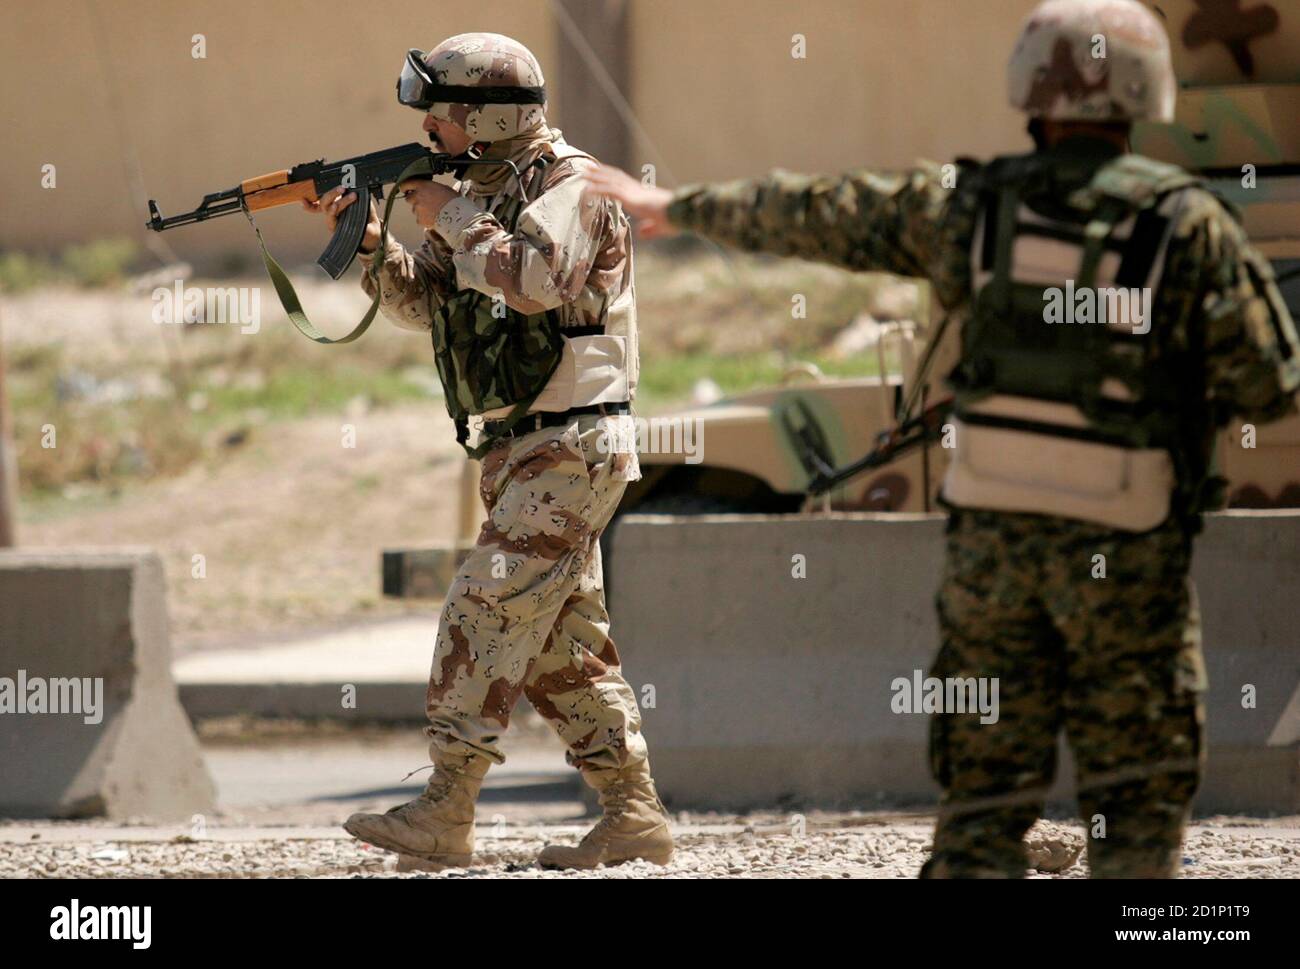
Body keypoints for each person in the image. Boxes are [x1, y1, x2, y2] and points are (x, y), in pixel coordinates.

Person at [587, 0, 1300, 877]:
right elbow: (1269, 381)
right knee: (1140, 812)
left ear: (1030, 95)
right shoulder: (1190, 227)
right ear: (1145, 94)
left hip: (994, 559)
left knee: (983, 805)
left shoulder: (973, 207)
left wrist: (678, 206)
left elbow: (829, 210)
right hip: (1134, 555)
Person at [306, 32, 672, 870]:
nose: (428, 129)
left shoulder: (571, 186)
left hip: (572, 441)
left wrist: (455, 215)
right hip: (523, 447)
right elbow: (430, 302)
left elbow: (537, 281)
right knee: (560, 649)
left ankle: (445, 809)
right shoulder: (478, 192)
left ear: (489, 118)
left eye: (441, 114)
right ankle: (633, 813)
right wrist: (371, 247)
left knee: (483, 610)